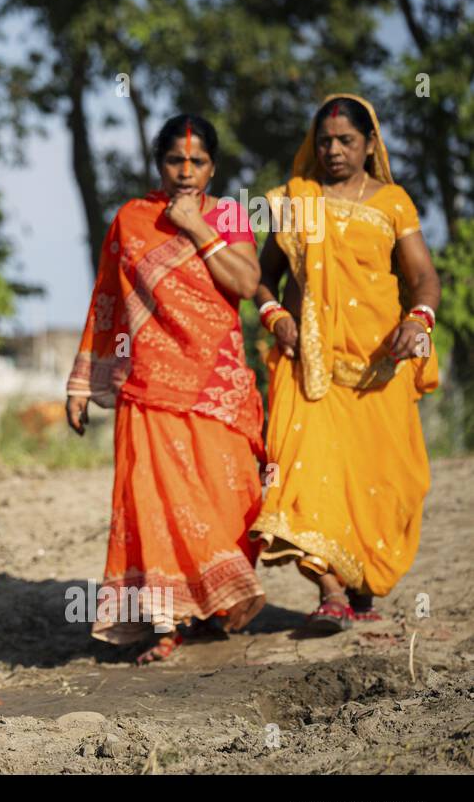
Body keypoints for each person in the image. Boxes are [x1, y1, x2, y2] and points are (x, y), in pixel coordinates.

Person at [66, 115, 266, 664]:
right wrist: (82, 381)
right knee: (156, 502)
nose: (185, 171)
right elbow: (106, 299)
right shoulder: (132, 219)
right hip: (148, 381)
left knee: (225, 498)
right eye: (175, 161)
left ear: (213, 167)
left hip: (215, 384)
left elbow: (247, 283)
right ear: (159, 164)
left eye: (197, 162)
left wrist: (197, 228)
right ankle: (167, 618)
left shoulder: (228, 214)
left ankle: (213, 605)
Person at [251, 94, 440, 631]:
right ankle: (329, 589)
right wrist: (273, 315)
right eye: (325, 141)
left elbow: (424, 276)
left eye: (346, 141)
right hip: (307, 364)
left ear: (370, 144)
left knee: (384, 482)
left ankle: (359, 584)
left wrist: (418, 321)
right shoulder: (295, 201)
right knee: (305, 475)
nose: (333, 150)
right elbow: (263, 273)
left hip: (378, 366)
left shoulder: (393, 201)